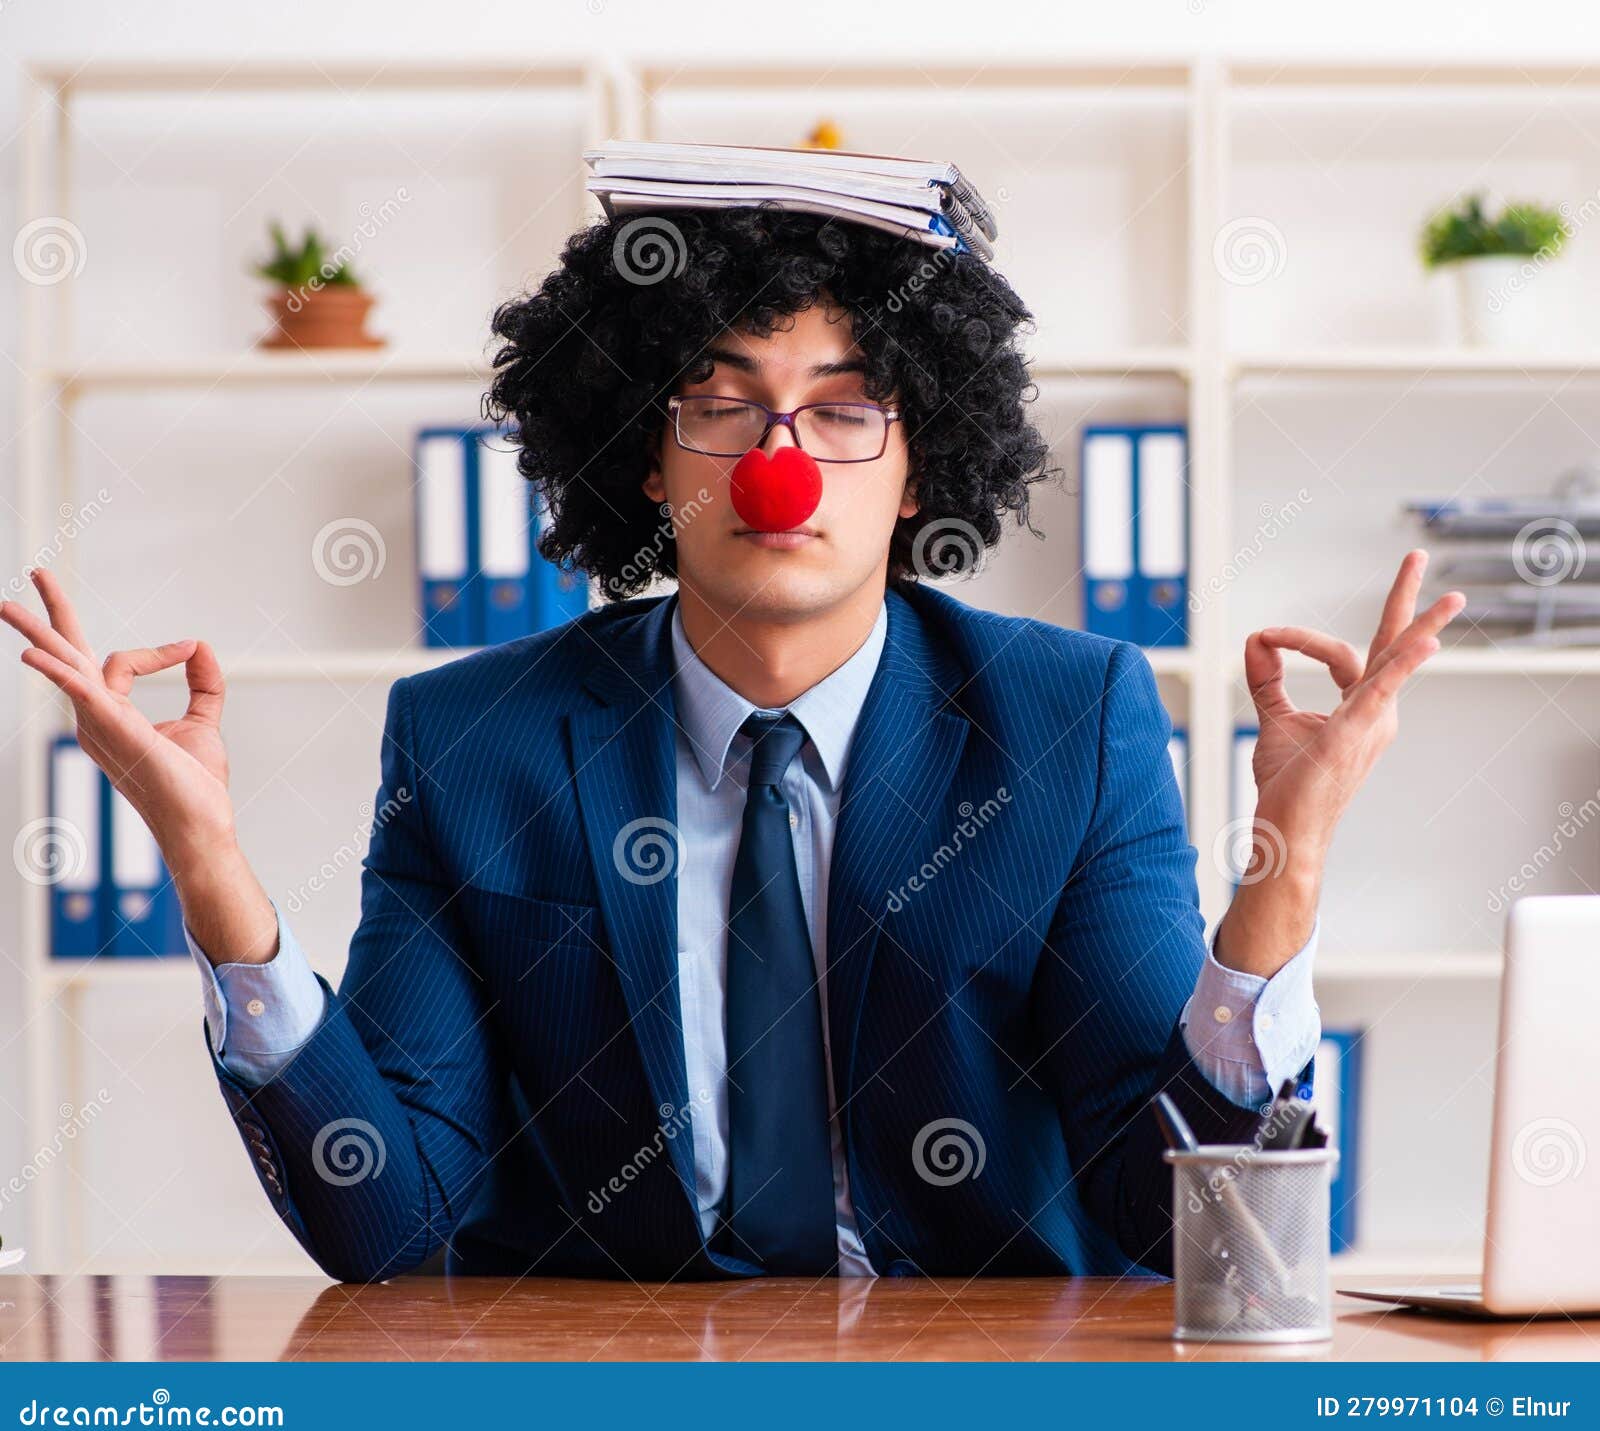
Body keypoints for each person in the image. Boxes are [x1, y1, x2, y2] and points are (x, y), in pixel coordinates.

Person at [1, 204, 1463, 1282]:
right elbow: (389, 1222)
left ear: (917, 468)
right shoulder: (473, 736)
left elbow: (1170, 1222)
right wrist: (211, 869)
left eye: (845, 413)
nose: (782, 466)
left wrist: (1289, 870)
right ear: (644, 457)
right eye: (724, 408)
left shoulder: (1065, 720)